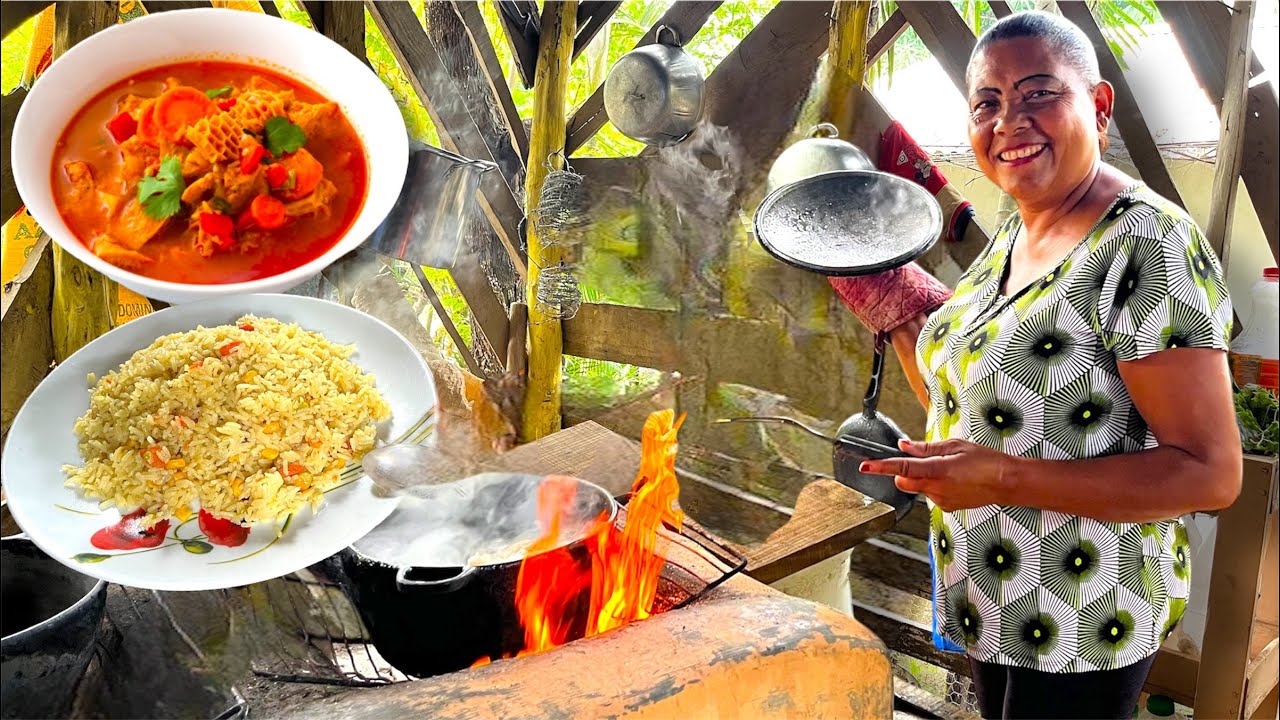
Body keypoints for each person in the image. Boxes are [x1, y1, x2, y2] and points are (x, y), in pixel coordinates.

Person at [831, 11, 1242, 719]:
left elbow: (1211, 473)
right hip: (993, 596)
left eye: (1037, 94)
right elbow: (978, 395)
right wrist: (899, 312)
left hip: (1082, 616)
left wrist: (997, 477)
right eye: (986, 102)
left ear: (1099, 106)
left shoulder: (1146, 245)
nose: (1008, 122)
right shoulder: (1020, 230)